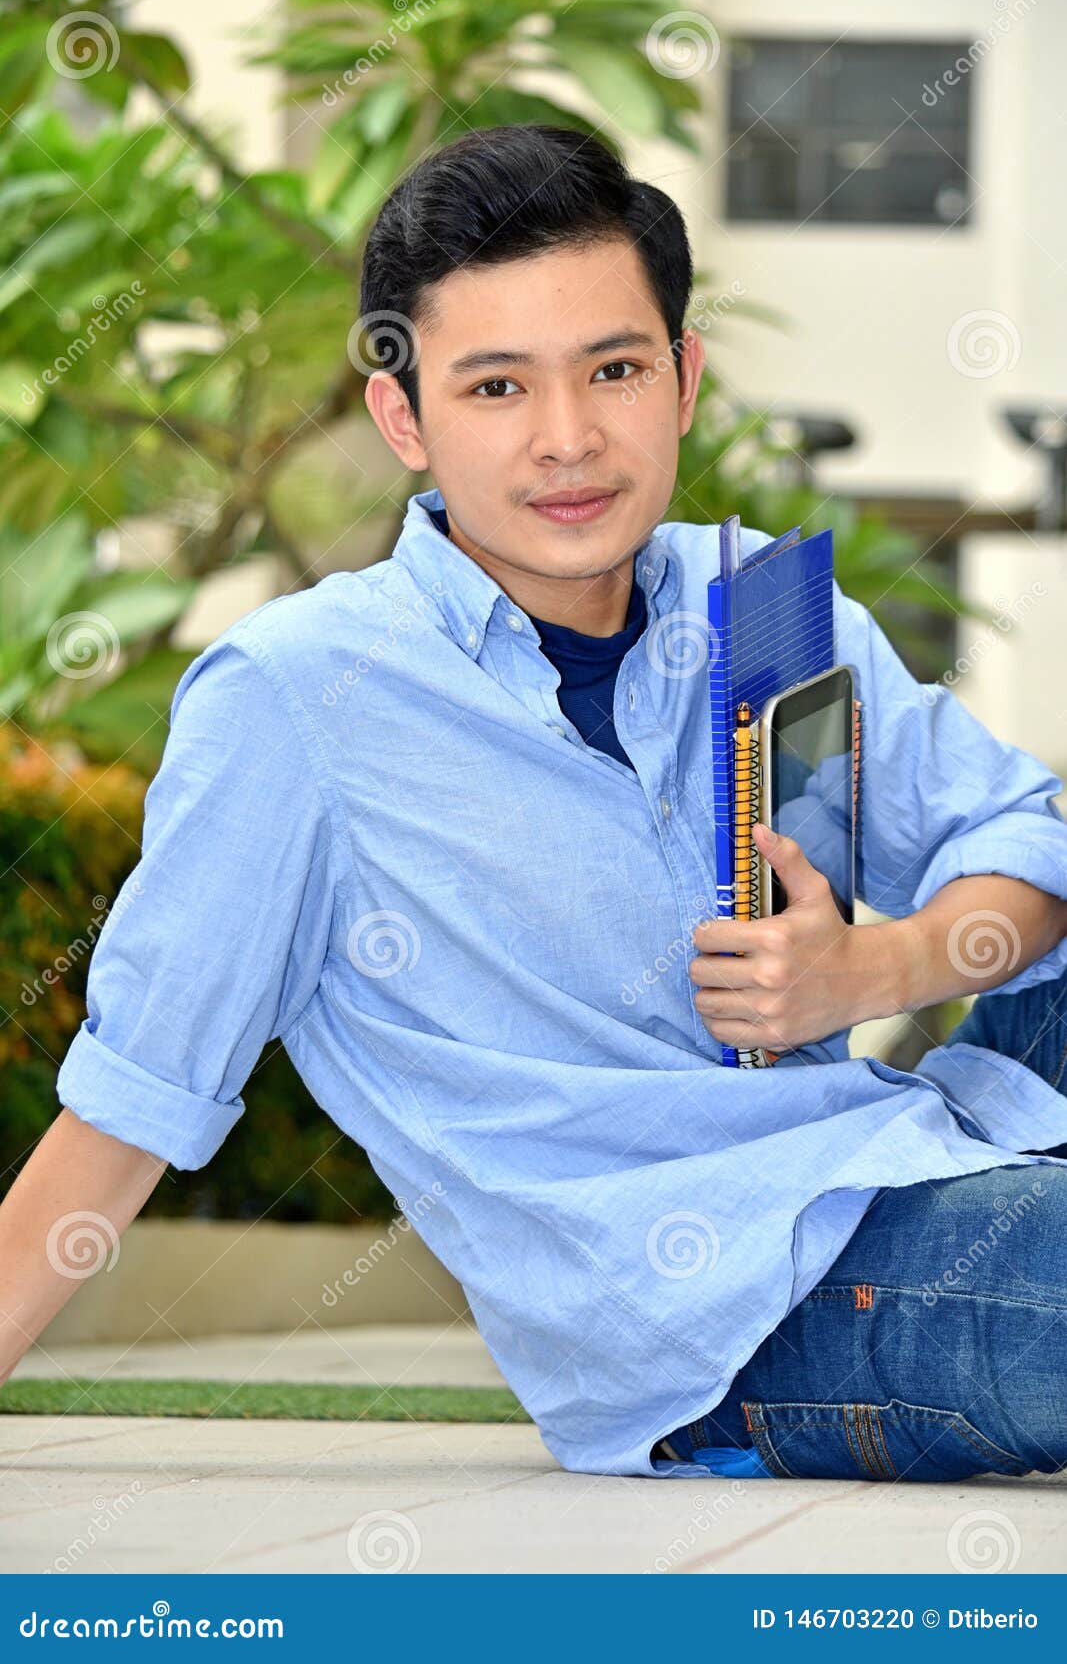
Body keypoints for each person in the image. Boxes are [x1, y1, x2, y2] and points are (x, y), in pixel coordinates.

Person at [3, 125, 1067, 1484]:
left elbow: (1024, 838)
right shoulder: (301, 694)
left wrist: (880, 962)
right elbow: (137, 1094)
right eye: (496, 386)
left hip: (910, 1149)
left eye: (613, 369)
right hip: (740, 1317)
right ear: (406, 418)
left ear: (682, 380)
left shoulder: (763, 602)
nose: (568, 440)